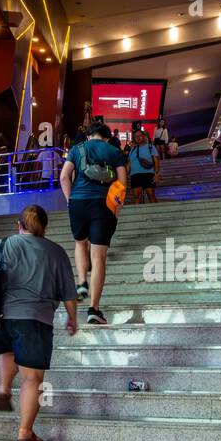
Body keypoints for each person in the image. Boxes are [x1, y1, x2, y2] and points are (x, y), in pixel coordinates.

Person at [0, 205, 79, 441]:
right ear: (45, 228)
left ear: (18, 225)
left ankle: (4, 387)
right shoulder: (56, 252)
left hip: (4, 315)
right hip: (36, 319)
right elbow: (68, 292)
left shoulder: (2, 244)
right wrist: (72, 318)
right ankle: (24, 432)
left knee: (8, 351)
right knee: (32, 378)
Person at [61, 122, 128, 325]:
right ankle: (94, 310)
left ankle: (81, 281)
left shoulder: (77, 149)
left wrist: (70, 200)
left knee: (80, 242)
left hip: (78, 202)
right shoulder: (115, 151)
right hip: (103, 204)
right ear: (107, 137)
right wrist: (116, 209)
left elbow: (64, 177)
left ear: (89, 136)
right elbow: (122, 185)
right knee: (98, 258)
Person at [128, 128, 161, 204]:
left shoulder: (150, 147)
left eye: (139, 135)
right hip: (135, 175)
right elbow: (129, 163)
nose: (138, 137)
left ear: (143, 136)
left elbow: (156, 161)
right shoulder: (132, 150)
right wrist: (125, 174)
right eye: (136, 136)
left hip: (148, 174)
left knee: (151, 196)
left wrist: (156, 174)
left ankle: (156, 214)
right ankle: (137, 215)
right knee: (136, 197)